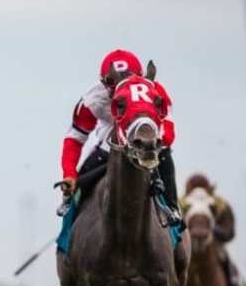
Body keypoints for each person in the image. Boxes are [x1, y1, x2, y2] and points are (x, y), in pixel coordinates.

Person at [58, 49, 181, 230]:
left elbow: (168, 129)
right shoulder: (92, 99)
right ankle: (66, 236)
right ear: (103, 82)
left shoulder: (155, 91)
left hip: (147, 147)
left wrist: (154, 143)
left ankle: (173, 216)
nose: (119, 87)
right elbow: (75, 138)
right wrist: (69, 173)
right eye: (112, 83)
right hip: (108, 151)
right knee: (75, 191)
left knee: (165, 156)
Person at [184, 173, 240, 286]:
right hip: (187, 243)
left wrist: (213, 231)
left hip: (213, 243)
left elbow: (229, 231)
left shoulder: (221, 205)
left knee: (224, 257)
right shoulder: (182, 202)